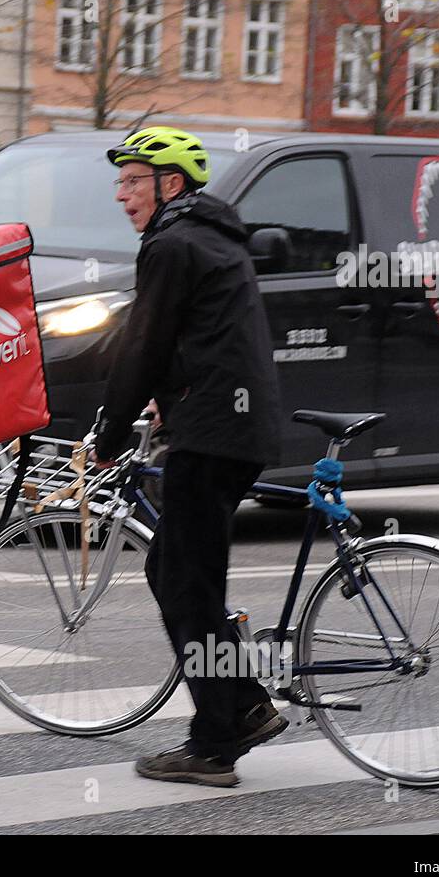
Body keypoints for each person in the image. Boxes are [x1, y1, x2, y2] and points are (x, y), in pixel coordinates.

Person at [90, 126, 287, 787]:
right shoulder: (207, 236)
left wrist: (109, 430)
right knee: (176, 572)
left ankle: (216, 740)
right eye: (120, 182)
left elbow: (143, 342)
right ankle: (245, 705)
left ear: (170, 184)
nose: (121, 195)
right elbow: (197, 337)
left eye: (132, 181)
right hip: (228, 426)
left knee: (185, 583)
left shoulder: (173, 243)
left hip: (213, 435)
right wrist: (170, 392)